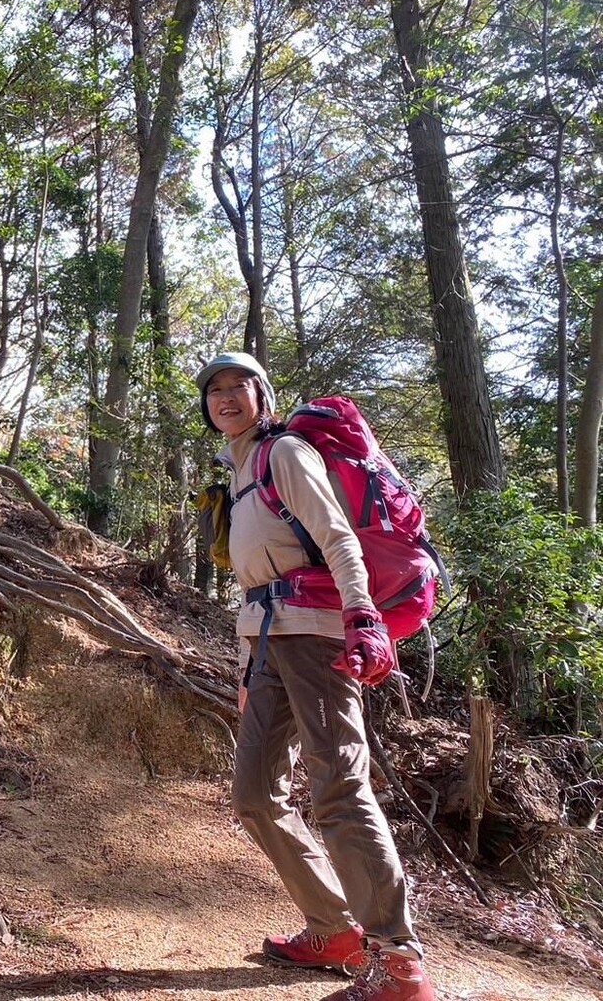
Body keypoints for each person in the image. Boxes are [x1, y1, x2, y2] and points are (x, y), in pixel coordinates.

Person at [198, 351, 436, 1001]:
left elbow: (339, 539)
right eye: (214, 389)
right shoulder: (241, 469)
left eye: (237, 386)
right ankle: (334, 927)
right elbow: (255, 582)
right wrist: (250, 664)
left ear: (261, 395)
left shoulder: (285, 454)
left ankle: (398, 959)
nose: (225, 397)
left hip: (319, 635)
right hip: (271, 644)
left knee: (338, 786)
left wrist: (362, 613)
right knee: (253, 792)